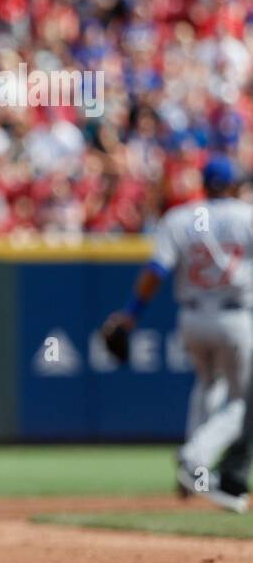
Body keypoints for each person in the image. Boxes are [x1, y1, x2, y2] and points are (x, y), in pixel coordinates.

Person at [101, 157, 253, 512]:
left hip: (192, 318)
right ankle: (193, 458)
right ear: (232, 185)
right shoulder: (247, 215)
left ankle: (194, 477)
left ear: (203, 181)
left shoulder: (181, 218)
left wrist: (130, 315)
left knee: (206, 387)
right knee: (239, 403)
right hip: (235, 317)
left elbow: (156, 270)